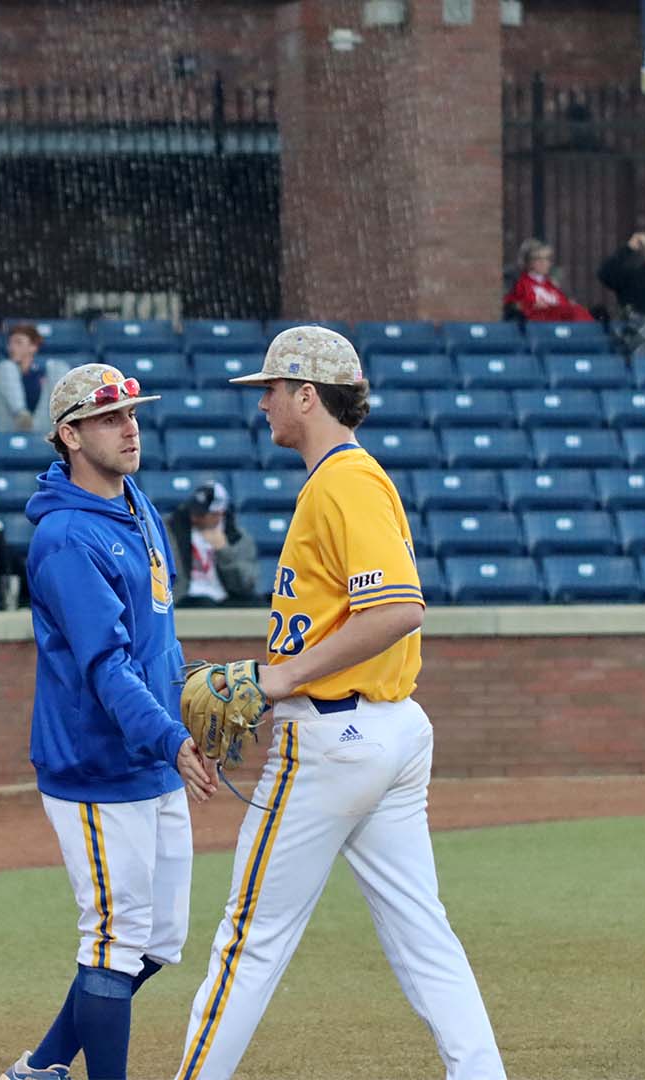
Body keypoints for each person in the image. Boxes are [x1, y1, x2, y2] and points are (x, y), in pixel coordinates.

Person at [177, 327, 508, 1080]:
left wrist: (277, 680)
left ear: (307, 394)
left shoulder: (345, 481)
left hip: (333, 738)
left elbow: (397, 609)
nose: (260, 403)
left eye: (270, 389)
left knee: (247, 941)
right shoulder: (340, 478)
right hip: (385, 732)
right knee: (423, 933)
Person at [2, 363, 217, 1080]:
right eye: (108, 418)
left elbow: (162, 631)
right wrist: (171, 734)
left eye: (132, 413)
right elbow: (106, 666)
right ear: (68, 434)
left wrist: (188, 703)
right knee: (114, 940)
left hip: (151, 756)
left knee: (159, 941)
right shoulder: (64, 538)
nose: (129, 427)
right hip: (95, 766)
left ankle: (40, 1068)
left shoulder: (139, 506)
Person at [165, 482, 259, 607]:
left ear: (219, 514)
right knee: (204, 602)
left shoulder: (237, 538)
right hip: (186, 598)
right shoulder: (172, 530)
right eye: (194, 511)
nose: (194, 517)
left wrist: (224, 551)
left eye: (201, 514)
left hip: (226, 599)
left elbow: (245, 585)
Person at [0, 324, 71, 433]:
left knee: (58, 367)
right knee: (6, 367)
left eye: (18, 343)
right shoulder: (4, 369)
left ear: (33, 347)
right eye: (10, 343)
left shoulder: (40, 373)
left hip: (41, 427)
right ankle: (21, 413)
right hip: (9, 426)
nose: (11, 348)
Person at [502, 239, 594, 323]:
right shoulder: (521, 283)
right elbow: (512, 305)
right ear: (528, 261)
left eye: (547, 259)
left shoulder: (553, 285)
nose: (544, 263)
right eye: (538, 259)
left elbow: (568, 306)